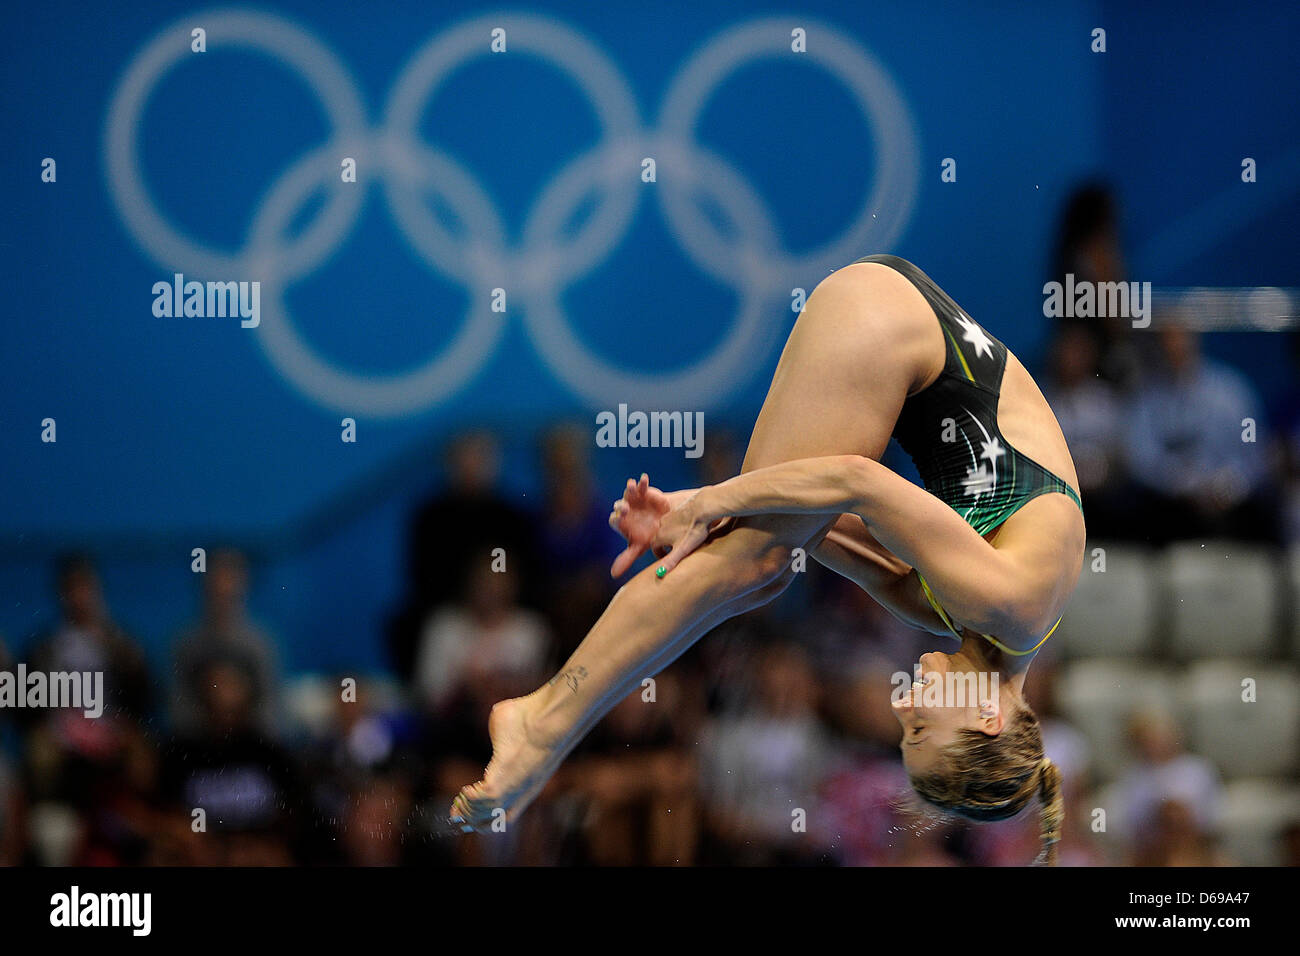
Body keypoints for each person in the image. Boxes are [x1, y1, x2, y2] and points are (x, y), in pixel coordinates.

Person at [451, 255, 1085, 864]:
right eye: (920, 732)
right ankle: (541, 725)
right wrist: (709, 500)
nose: (901, 709)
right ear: (988, 715)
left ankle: (548, 724)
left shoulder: (961, 613)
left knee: (763, 569)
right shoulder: (1011, 600)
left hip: (897, 325)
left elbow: (824, 526)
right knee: (750, 561)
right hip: (889, 321)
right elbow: (858, 480)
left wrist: (709, 511)